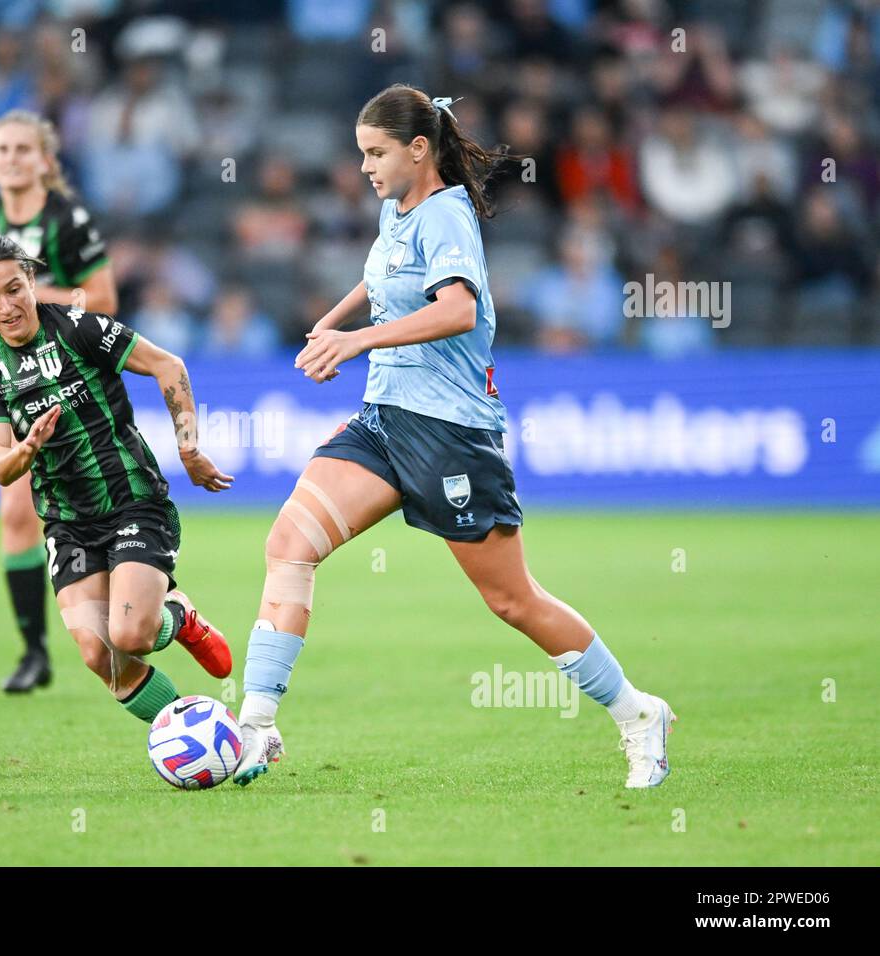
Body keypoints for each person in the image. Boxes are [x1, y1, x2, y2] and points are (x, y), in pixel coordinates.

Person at [231, 84, 677, 790]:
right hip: (383, 421)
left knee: (512, 601)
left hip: (450, 434)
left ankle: (638, 711)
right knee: (289, 546)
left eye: (376, 153)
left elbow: (458, 310)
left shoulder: (448, 217)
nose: (365, 168)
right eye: (360, 154)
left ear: (418, 149)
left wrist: (357, 341)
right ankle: (256, 726)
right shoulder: (395, 208)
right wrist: (332, 320)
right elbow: (379, 275)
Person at [0, 233, 235, 725]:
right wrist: (25, 449)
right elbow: (1, 467)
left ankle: (180, 618)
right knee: (101, 655)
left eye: (14, 289)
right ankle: (191, 739)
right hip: (67, 521)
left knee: (131, 634)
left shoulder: (78, 328)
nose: (6, 307)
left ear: (31, 282)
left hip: (131, 501)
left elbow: (166, 365)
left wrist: (189, 446)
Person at [0, 109, 118, 693]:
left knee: (95, 504)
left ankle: (142, 604)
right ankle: (35, 651)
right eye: (0, 150)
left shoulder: (68, 219)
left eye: (21, 149)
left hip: (73, 377)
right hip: (15, 380)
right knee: (14, 513)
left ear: (44, 158)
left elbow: (105, 299)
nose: (9, 159)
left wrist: (31, 292)